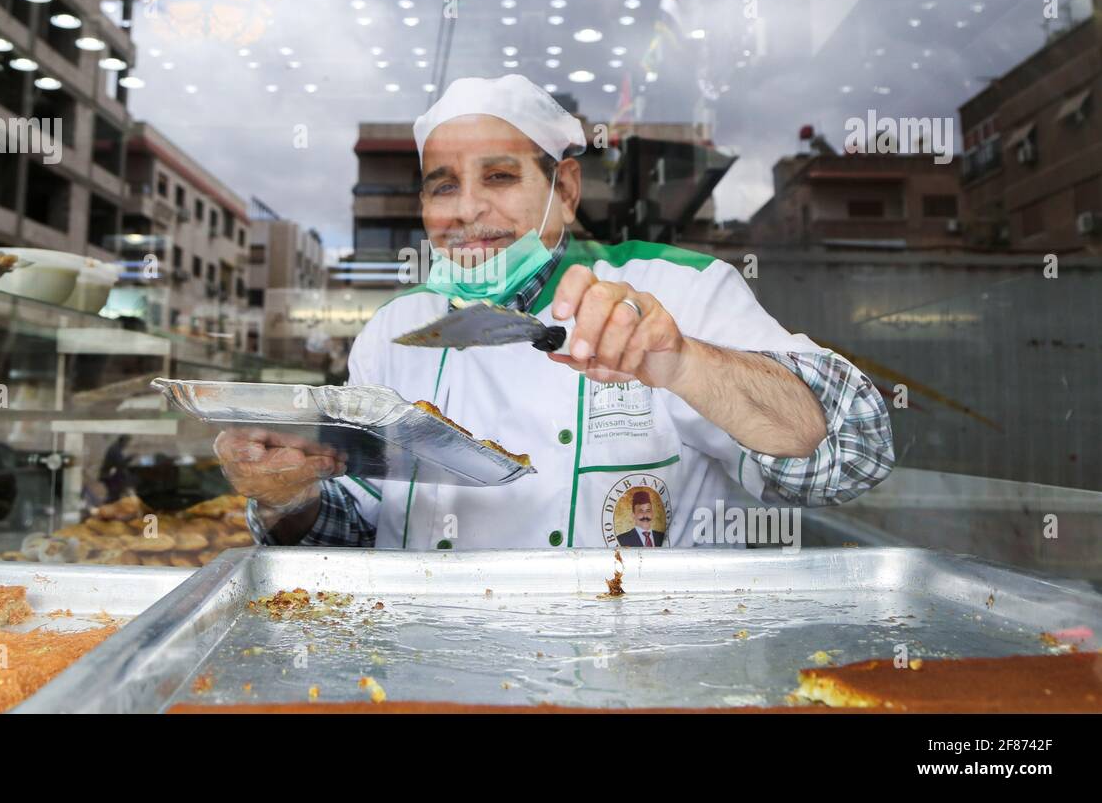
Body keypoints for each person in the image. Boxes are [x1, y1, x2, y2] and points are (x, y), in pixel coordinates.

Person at [216, 74, 894, 549]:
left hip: (641, 682)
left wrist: (680, 360)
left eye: (500, 177)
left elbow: (849, 454)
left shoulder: (680, 288)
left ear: (564, 190)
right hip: (431, 679)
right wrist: (287, 496)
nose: (467, 211)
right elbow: (362, 525)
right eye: (443, 185)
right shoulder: (393, 331)